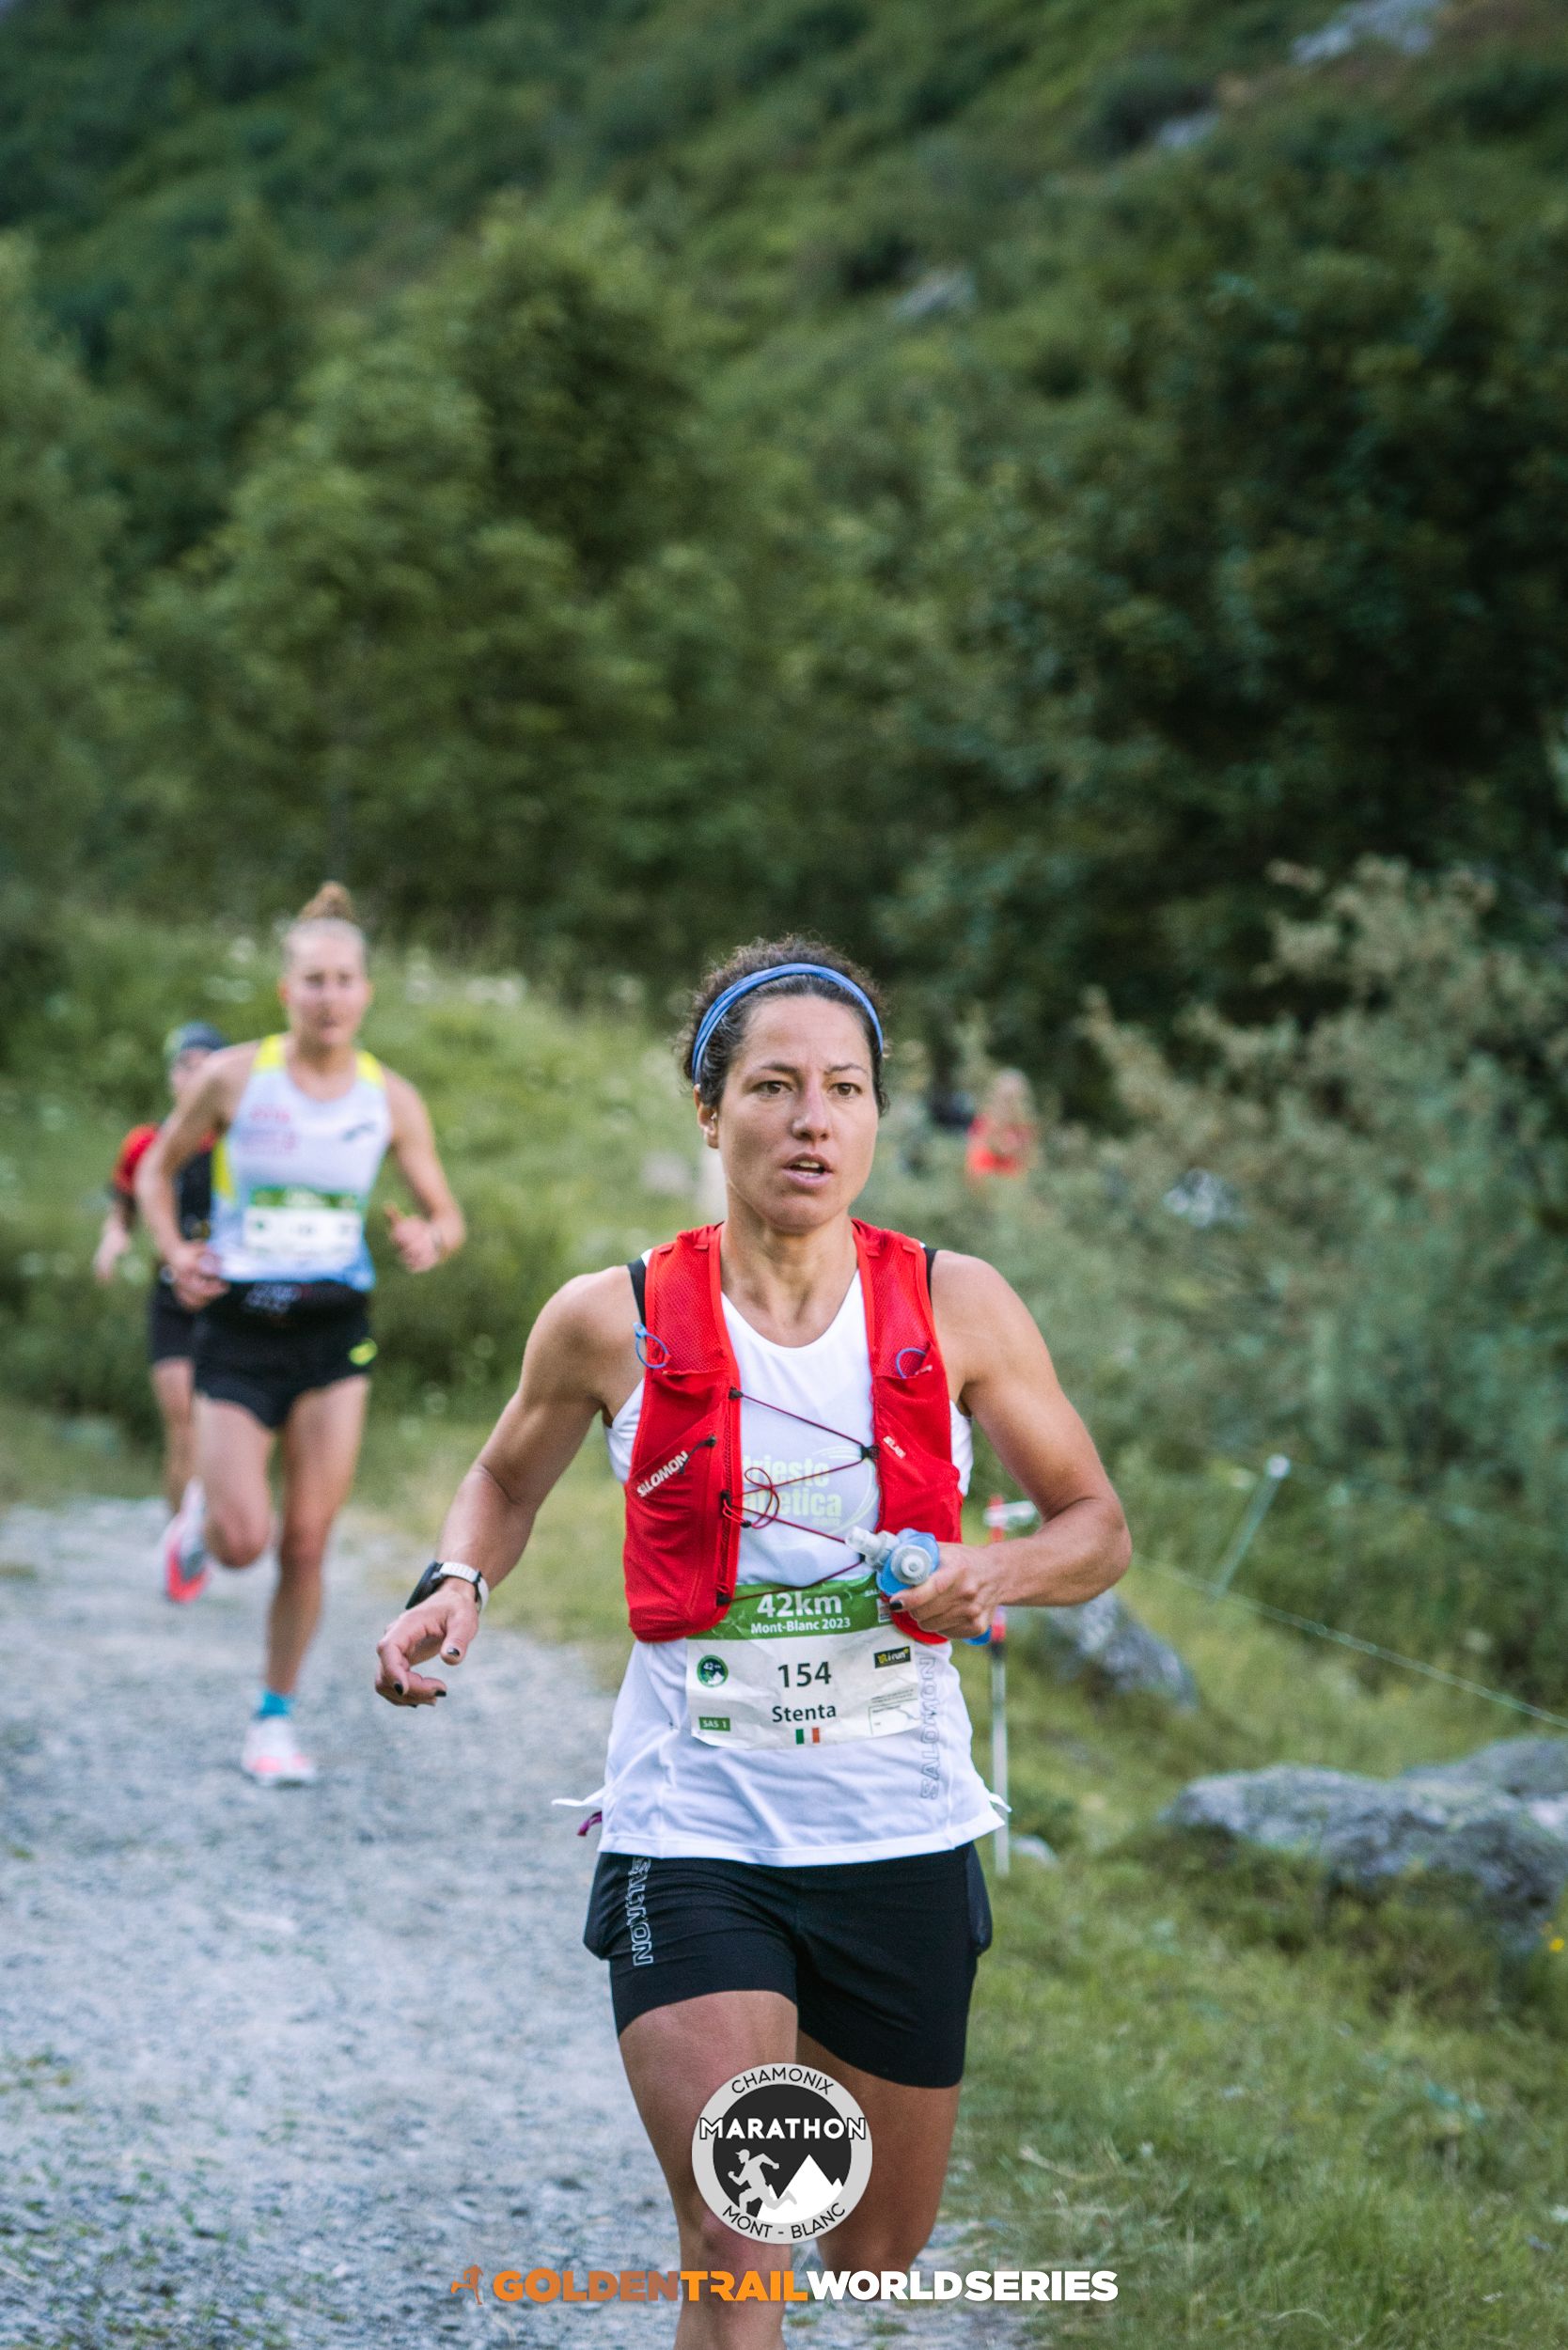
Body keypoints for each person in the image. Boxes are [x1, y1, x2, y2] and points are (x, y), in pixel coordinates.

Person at [374, 939, 1129, 2340]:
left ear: (877, 1119)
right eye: (774, 1087)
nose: (812, 1119)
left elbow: (1097, 1526)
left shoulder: (958, 1306)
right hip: (696, 1822)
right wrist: (455, 1582)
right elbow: (503, 1480)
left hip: (894, 1827)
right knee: (742, 2223)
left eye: (845, 1089)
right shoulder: (615, 1320)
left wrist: (995, 1567)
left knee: (872, 2251)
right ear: (711, 1113)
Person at [137, 885, 465, 1785]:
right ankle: (204, 1522)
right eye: (313, 979)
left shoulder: (389, 1097)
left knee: (308, 1541)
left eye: (344, 979)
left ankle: (273, 1718)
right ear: (287, 992)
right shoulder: (235, 1077)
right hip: (240, 1328)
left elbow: (446, 1216)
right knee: (246, 1541)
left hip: (333, 1336)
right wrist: (174, 1253)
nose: (329, 995)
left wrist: (424, 1239)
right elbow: (158, 1175)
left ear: (365, 992)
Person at [93, 1023, 227, 1581]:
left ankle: (220, 1519)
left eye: (205, 1063)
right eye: (184, 1064)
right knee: (182, 1423)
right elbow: (125, 1201)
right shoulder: (146, 1142)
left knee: (221, 1422)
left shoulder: (242, 1140)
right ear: (172, 1076)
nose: (193, 1073)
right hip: (171, 1294)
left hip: (231, 1300)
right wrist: (113, 1237)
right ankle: (182, 1536)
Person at [964, 1068, 1037, 1184]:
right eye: (1006, 1098)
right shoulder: (982, 1124)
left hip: (1012, 1190)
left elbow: (1028, 1169)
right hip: (987, 1187)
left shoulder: (1024, 1130)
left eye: (1016, 1098)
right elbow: (973, 1164)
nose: (1011, 1104)